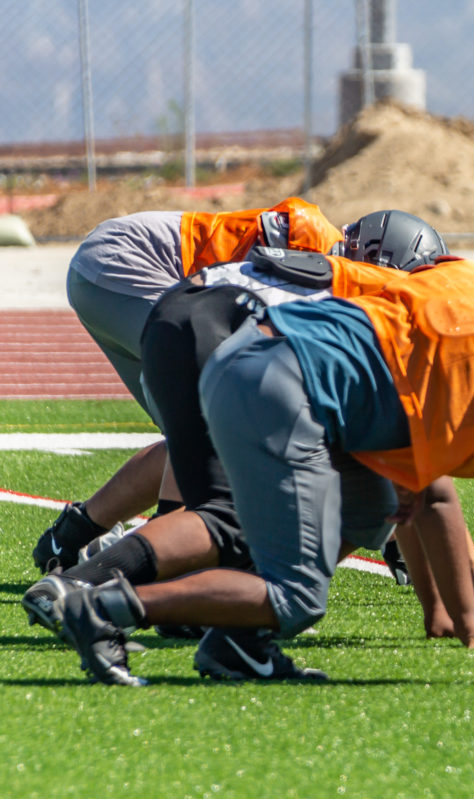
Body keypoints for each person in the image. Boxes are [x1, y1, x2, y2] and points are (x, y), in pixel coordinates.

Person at [23, 248, 474, 685]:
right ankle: (106, 606)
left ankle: (238, 643)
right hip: (283, 385)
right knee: (296, 594)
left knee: (371, 506)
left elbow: (408, 381)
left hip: (259, 356)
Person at [32, 204, 444, 573]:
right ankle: (159, 563)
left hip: (122, 272)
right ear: (377, 260)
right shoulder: (314, 247)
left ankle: (69, 539)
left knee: (196, 436)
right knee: (220, 419)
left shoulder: (332, 266)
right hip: (128, 262)